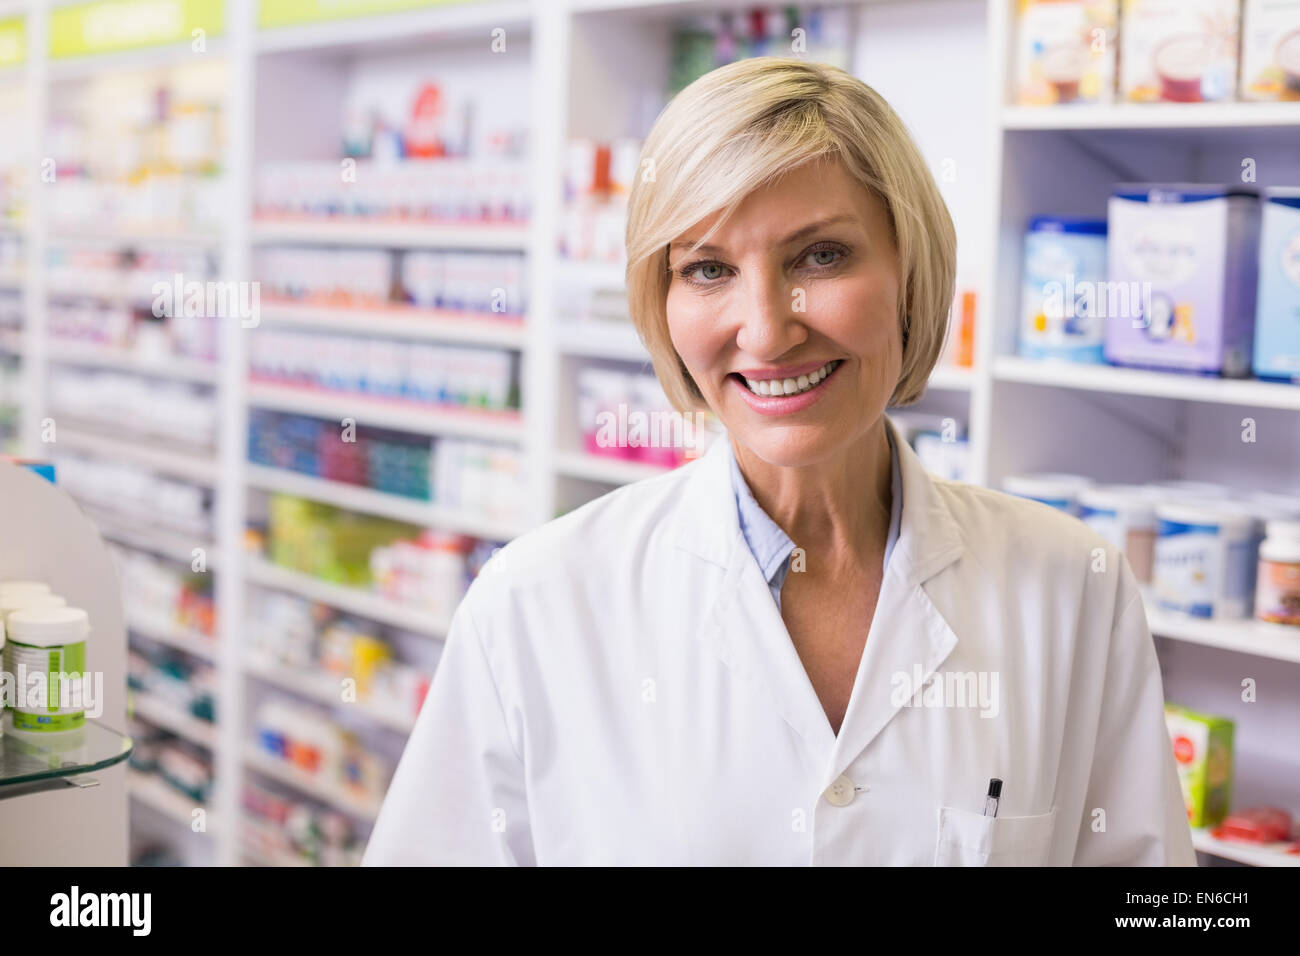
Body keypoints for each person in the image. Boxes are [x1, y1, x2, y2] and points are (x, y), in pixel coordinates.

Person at [363, 57, 1195, 866]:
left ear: (912, 272)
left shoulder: (1071, 585)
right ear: (662, 303)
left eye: (820, 256)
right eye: (708, 269)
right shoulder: (534, 605)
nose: (765, 331)